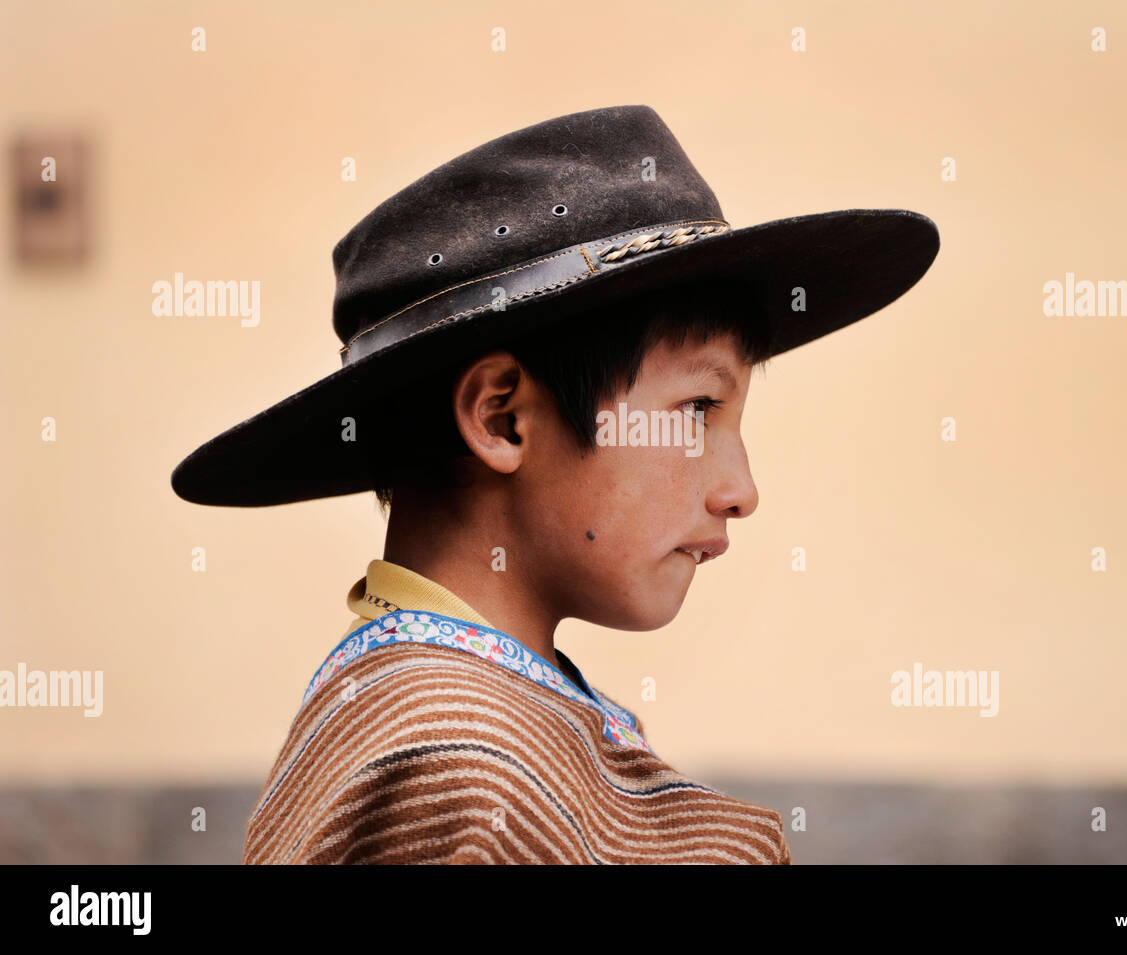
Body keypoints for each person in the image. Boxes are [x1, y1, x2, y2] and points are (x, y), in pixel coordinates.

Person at [171, 104, 940, 864]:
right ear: (503, 418)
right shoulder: (453, 773)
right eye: (697, 408)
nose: (741, 489)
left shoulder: (464, 719)